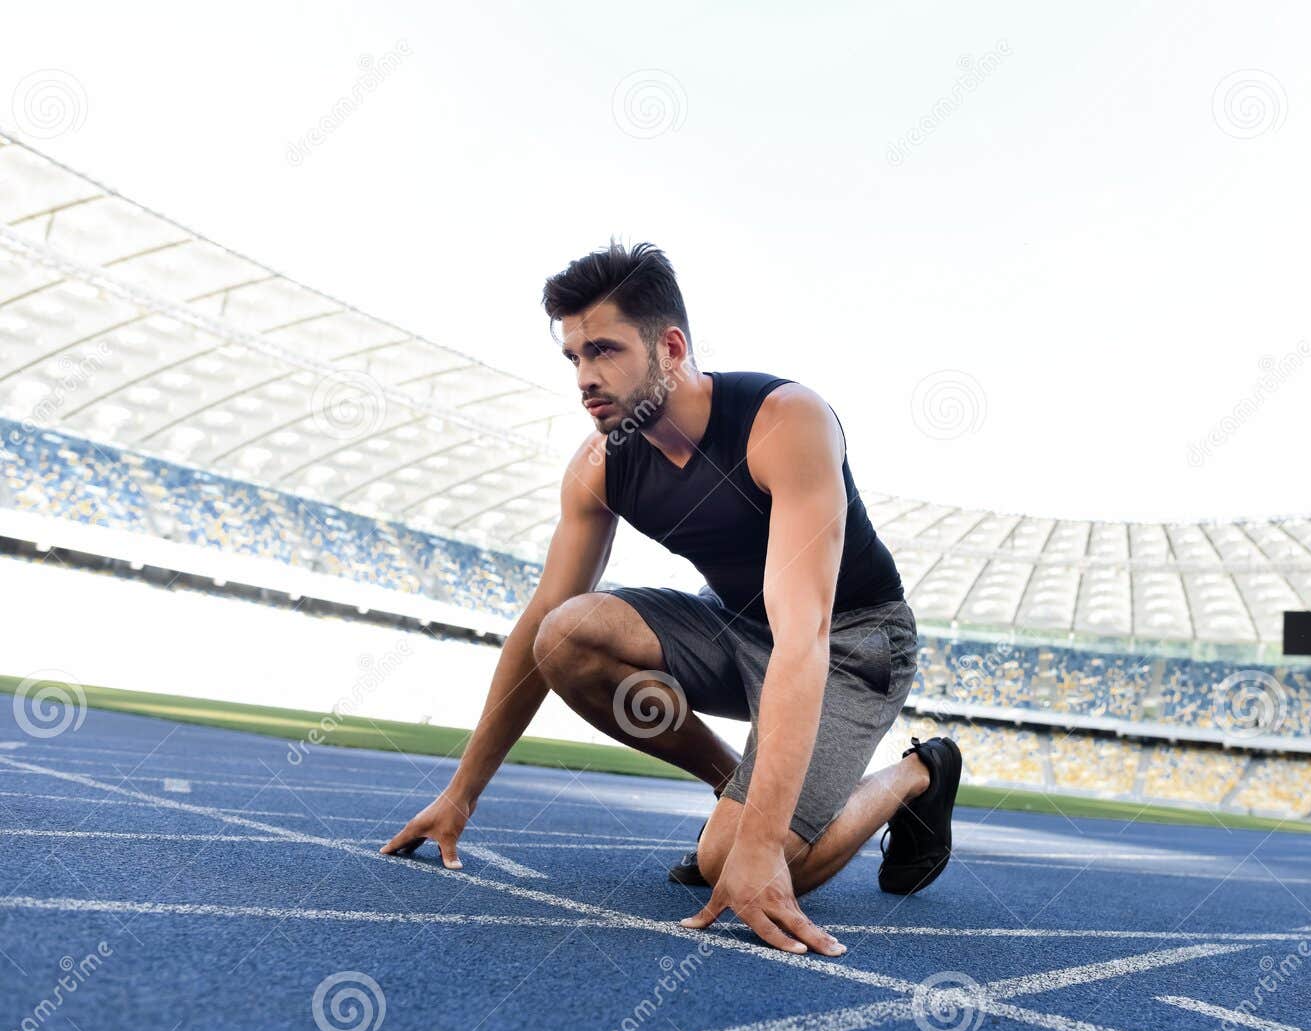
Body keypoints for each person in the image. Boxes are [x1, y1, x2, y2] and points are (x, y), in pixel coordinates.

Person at [381, 241, 962, 956]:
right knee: (566, 633)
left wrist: (755, 846)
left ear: (672, 347)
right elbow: (537, 623)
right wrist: (460, 793)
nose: (585, 379)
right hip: (736, 627)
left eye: (604, 351)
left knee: (733, 864)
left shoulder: (785, 423)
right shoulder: (599, 468)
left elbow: (803, 636)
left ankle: (919, 773)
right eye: (573, 358)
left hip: (850, 641)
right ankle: (735, 790)